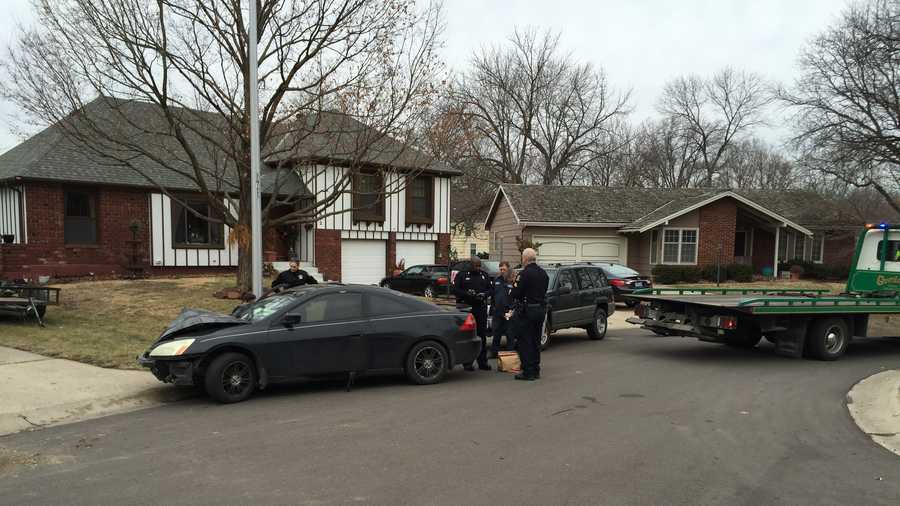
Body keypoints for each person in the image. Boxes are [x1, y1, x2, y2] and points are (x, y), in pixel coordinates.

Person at [507, 247, 549, 381]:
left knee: (525, 341)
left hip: (528, 311)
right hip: (540, 310)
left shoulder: (524, 274)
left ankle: (528, 371)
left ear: (524, 259)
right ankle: (536, 369)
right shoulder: (543, 273)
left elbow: (515, 293)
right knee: (536, 340)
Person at [453, 256, 493, 371]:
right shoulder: (462, 275)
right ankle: (467, 363)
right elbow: (455, 290)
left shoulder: (484, 275)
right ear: (471, 265)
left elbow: (491, 289)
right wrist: (467, 294)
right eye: (476, 265)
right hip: (466, 308)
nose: (478, 268)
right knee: (468, 336)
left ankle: (482, 362)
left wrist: (484, 295)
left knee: (481, 335)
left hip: (480, 308)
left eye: (479, 265)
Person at [489, 261, 516, 358]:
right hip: (497, 312)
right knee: (496, 333)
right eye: (500, 269)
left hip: (508, 312)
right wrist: (493, 308)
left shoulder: (512, 280)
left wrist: (512, 309)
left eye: (504, 269)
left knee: (510, 334)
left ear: (508, 269)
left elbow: (516, 297)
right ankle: (494, 353)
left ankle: (510, 355)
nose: (502, 271)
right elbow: (493, 295)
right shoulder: (497, 279)